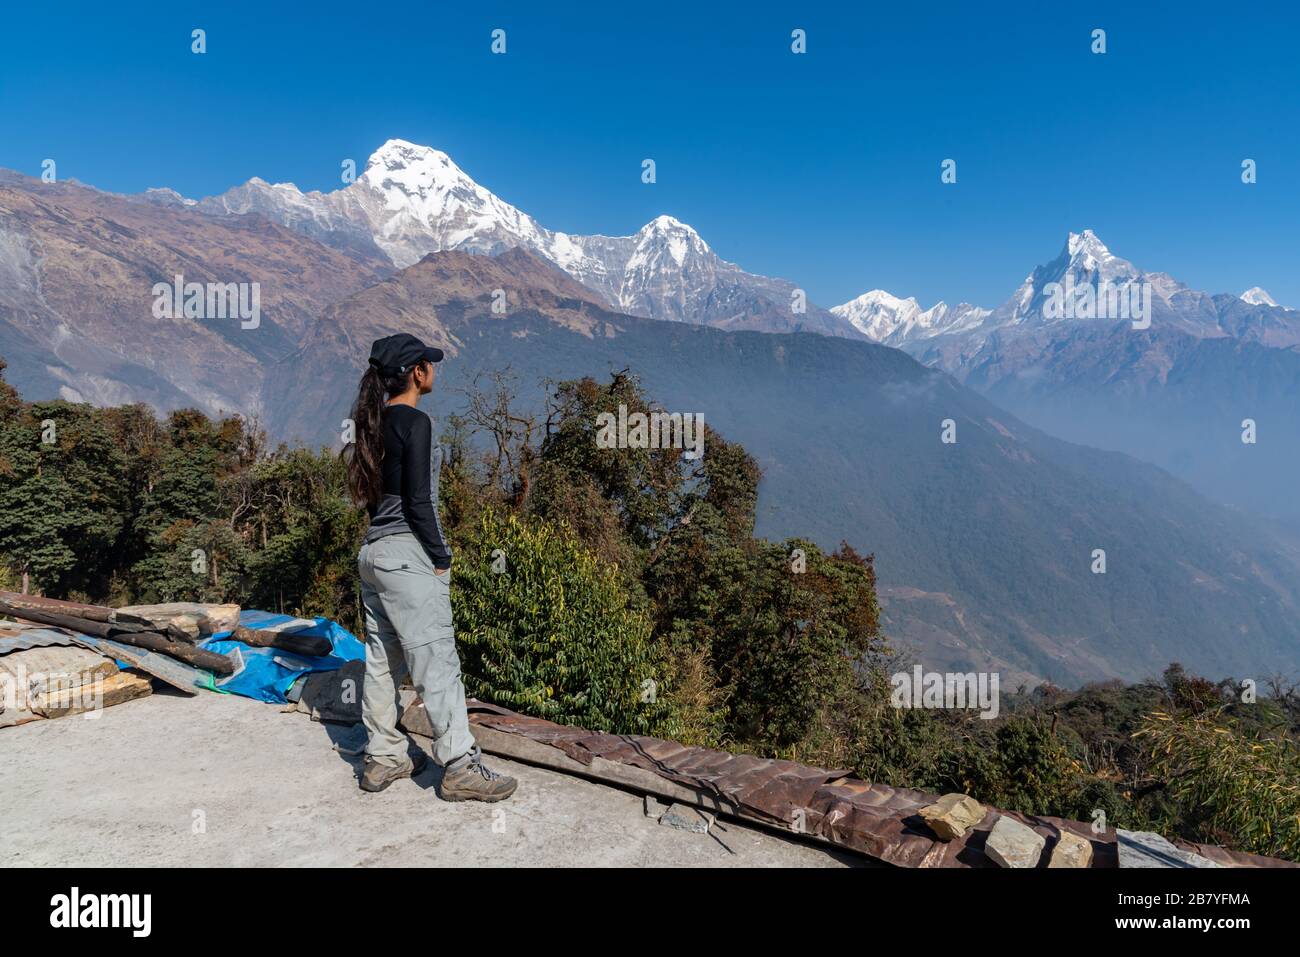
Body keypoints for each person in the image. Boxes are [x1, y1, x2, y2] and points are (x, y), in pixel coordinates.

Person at [342, 333, 517, 801]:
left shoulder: (371, 425)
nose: (434, 370)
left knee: (382, 663)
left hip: (373, 553)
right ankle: (460, 764)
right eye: (429, 364)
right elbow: (420, 501)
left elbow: (378, 500)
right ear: (417, 373)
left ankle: (383, 758)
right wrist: (441, 558)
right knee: (437, 661)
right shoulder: (415, 422)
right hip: (407, 555)